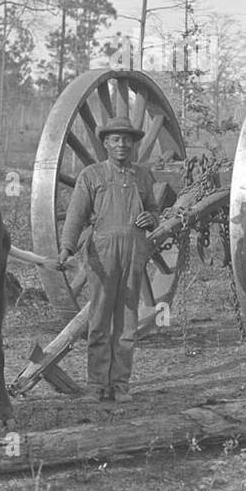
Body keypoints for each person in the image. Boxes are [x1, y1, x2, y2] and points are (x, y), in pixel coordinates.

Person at [57, 116, 158, 403]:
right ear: (105, 143)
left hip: (134, 253)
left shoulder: (142, 176)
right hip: (101, 253)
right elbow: (75, 217)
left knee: (127, 323)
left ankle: (121, 386)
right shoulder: (91, 175)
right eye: (115, 139)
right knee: (100, 321)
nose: (122, 144)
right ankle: (97, 385)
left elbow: (154, 208)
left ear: (134, 143)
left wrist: (151, 217)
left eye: (127, 139)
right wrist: (66, 249)